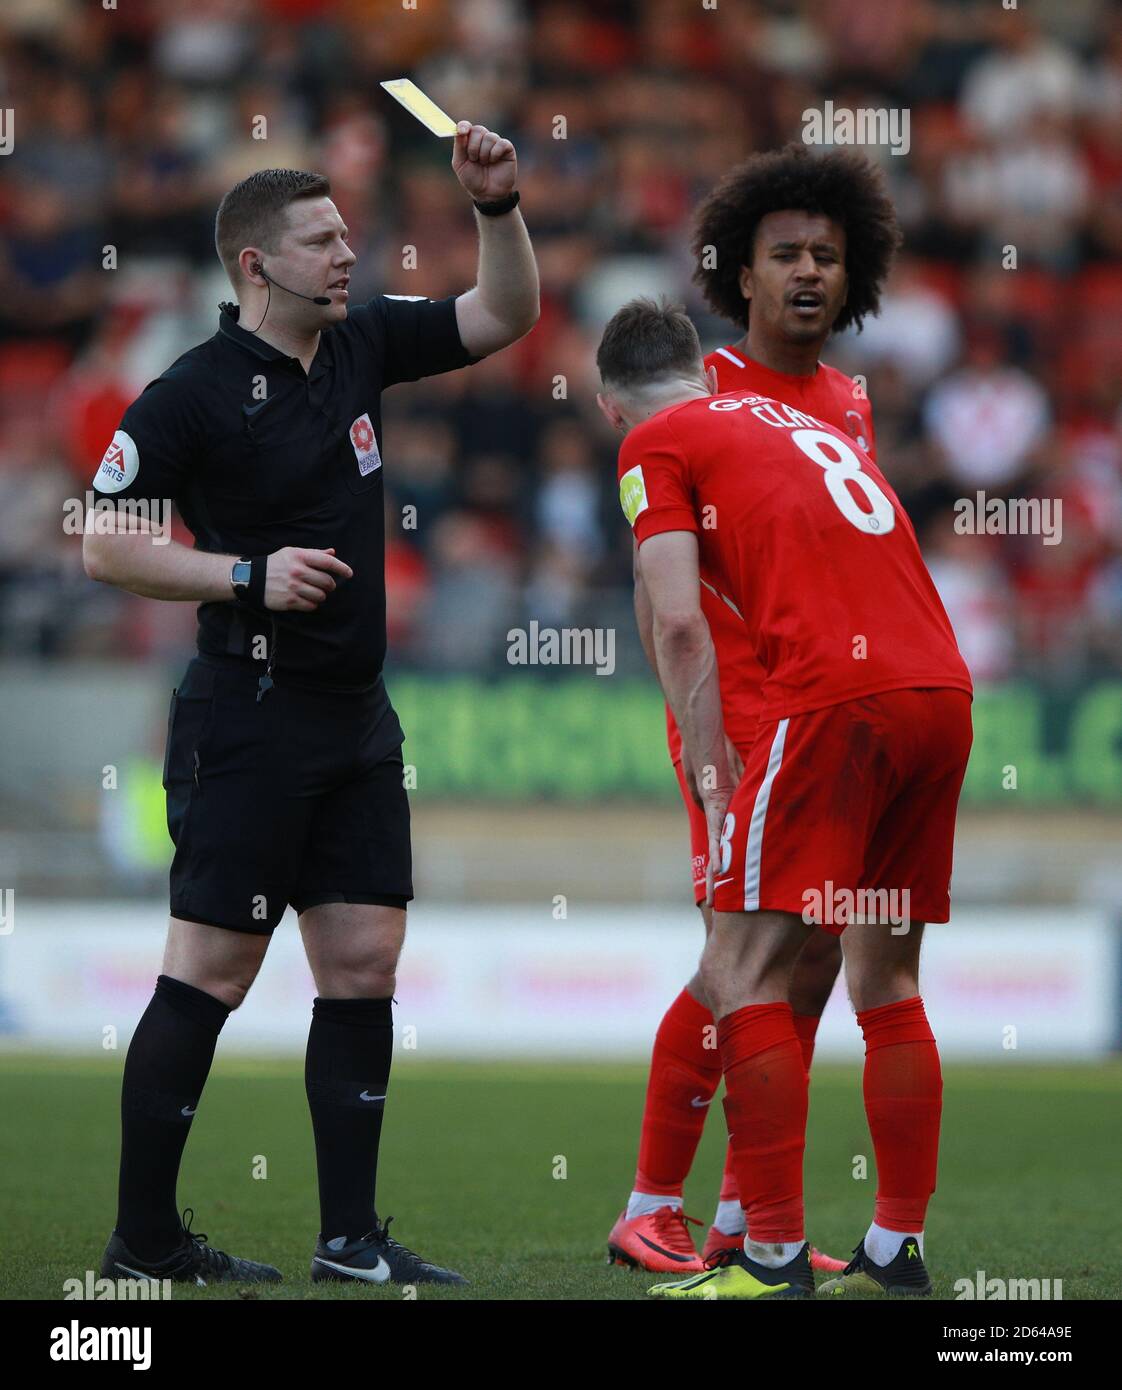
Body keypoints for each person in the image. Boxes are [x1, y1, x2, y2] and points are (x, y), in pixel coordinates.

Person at [84, 124, 539, 1287]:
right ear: (254, 264)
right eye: (323, 240)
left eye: (347, 235)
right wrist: (245, 573)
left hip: (355, 715)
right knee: (210, 972)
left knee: (364, 961)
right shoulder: (188, 394)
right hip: (250, 710)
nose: (350, 253)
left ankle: (349, 1238)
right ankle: (142, 1240)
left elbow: (504, 317)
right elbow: (103, 542)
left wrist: (497, 209)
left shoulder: (363, 342)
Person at [598, 298, 972, 1299]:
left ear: (608, 408)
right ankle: (889, 1245)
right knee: (874, 977)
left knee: (743, 965)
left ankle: (758, 1254)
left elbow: (675, 622)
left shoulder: (656, 439)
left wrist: (708, 761)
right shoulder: (802, 416)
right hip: (937, 691)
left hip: (810, 710)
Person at [605, 145, 899, 1274]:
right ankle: (650, 1203)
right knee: (738, 956)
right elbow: (662, 586)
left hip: (828, 718)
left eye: (829, 256)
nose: (811, 275)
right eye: (789, 256)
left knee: (812, 962)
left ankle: (746, 1216)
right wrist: (700, 737)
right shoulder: (709, 400)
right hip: (741, 725)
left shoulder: (846, 401)